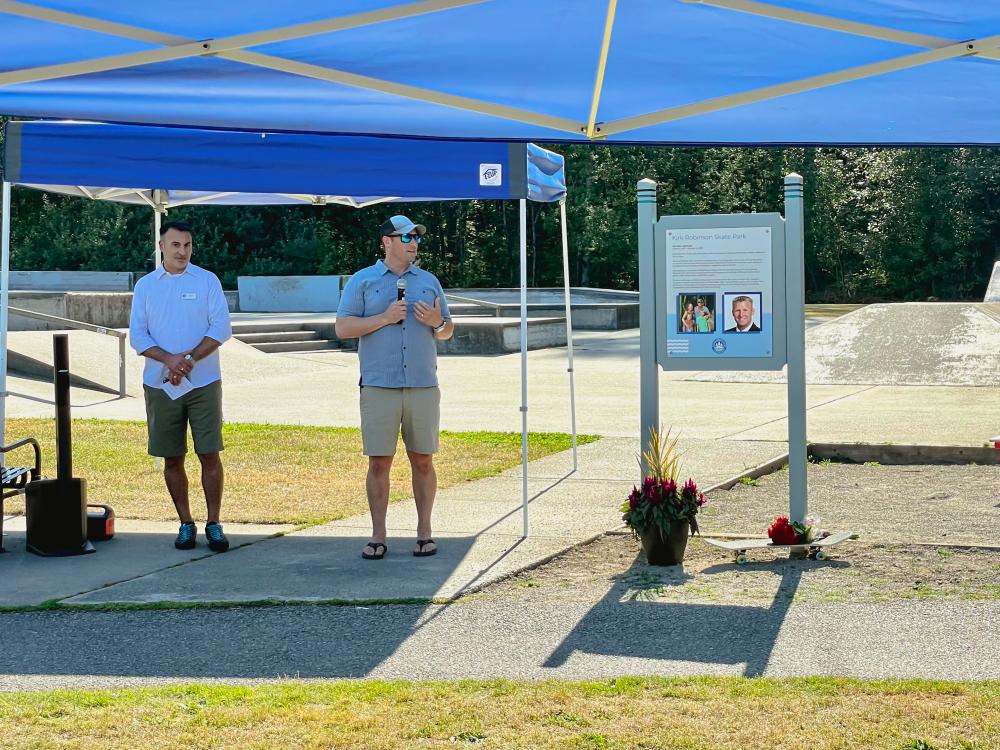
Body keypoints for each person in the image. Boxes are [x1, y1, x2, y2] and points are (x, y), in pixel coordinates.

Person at [335, 215, 454, 560]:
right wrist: (385, 318)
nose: (413, 243)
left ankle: (425, 532)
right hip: (379, 386)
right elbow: (343, 328)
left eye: (416, 237)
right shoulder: (363, 281)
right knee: (379, 463)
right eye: (406, 237)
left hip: (422, 386)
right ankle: (378, 535)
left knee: (423, 461)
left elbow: (447, 329)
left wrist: (438, 323)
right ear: (386, 242)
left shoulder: (429, 282)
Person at [129, 221, 233, 552]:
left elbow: (221, 328)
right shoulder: (146, 287)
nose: (182, 251)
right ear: (161, 246)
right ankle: (186, 522)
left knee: (209, 453)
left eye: (187, 245)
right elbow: (138, 336)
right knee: (172, 457)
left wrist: (186, 360)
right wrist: (169, 361)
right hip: (161, 385)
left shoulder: (207, 281)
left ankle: (213, 523)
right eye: (175, 245)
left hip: (202, 382)